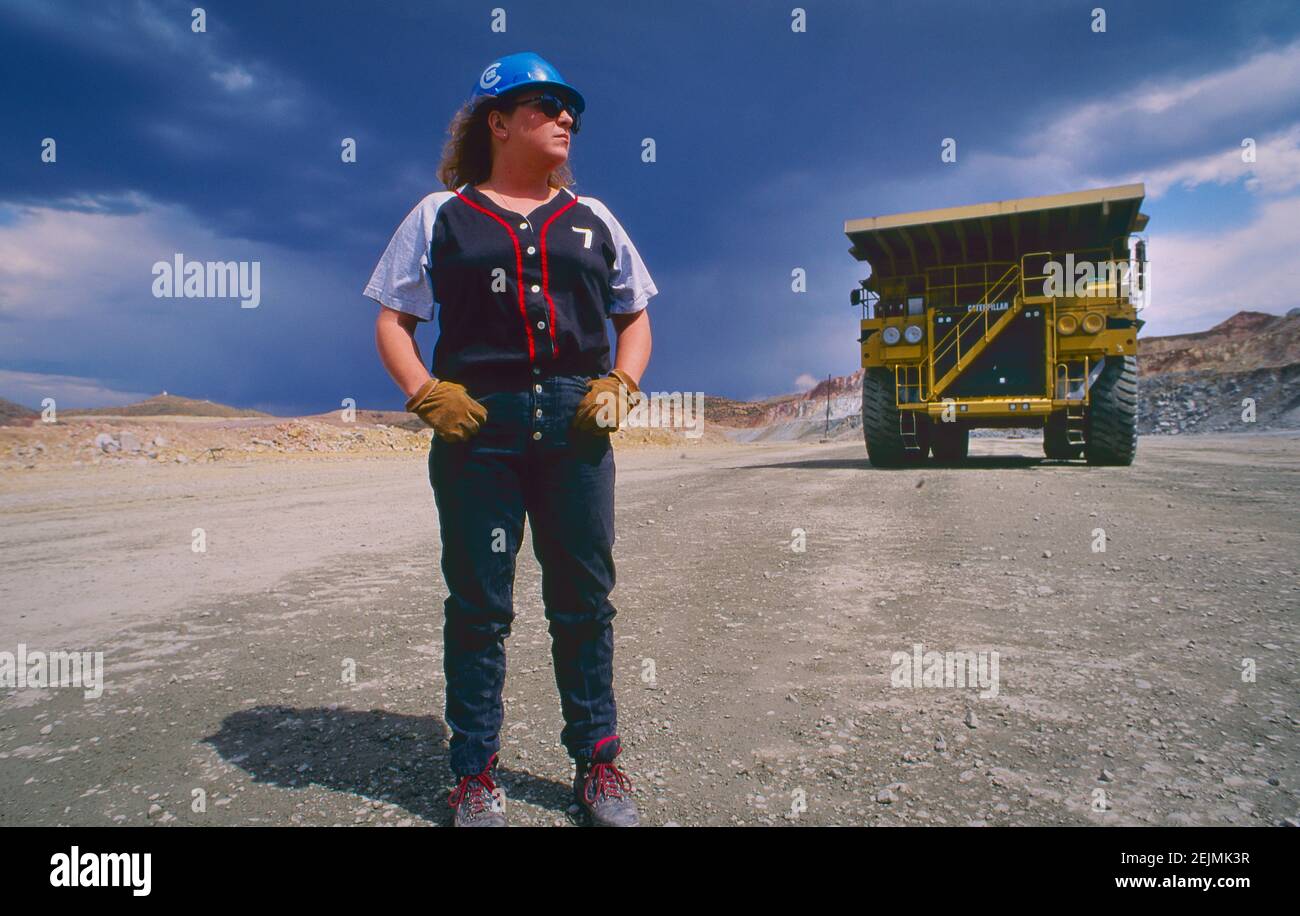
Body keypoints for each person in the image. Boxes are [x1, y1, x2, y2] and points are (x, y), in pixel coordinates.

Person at [363, 51, 657, 827]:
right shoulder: (438, 216)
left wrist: (621, 384)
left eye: (571, 110)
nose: (566, 117)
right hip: (477, 427)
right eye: (545, 104)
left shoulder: (594, 219)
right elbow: (393, 320)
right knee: (478, 607)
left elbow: (634, 316)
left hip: (576, 427)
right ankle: (473, 775)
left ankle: (598, 767)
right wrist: (424, 392)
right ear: (496, 120)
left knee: (584, 602)